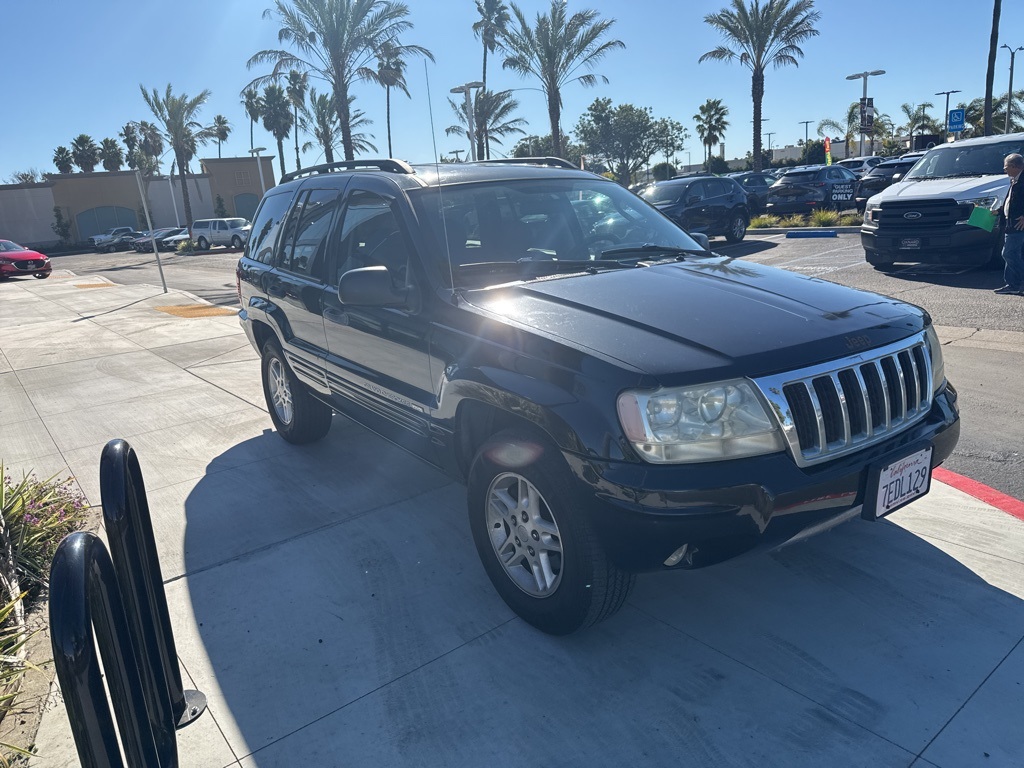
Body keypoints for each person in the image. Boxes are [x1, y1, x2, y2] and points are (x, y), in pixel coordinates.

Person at [995, 153, 1024, 295]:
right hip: (1009, 222)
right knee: (1013, 253)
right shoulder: (1015, 180)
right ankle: (1012, 284)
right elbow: (1011, 201)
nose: (1004, 170)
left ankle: (1019, 282)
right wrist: (999, 211)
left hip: (1019, 224)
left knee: (1008, 253)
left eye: (1006, 167)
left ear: (1014, 166)